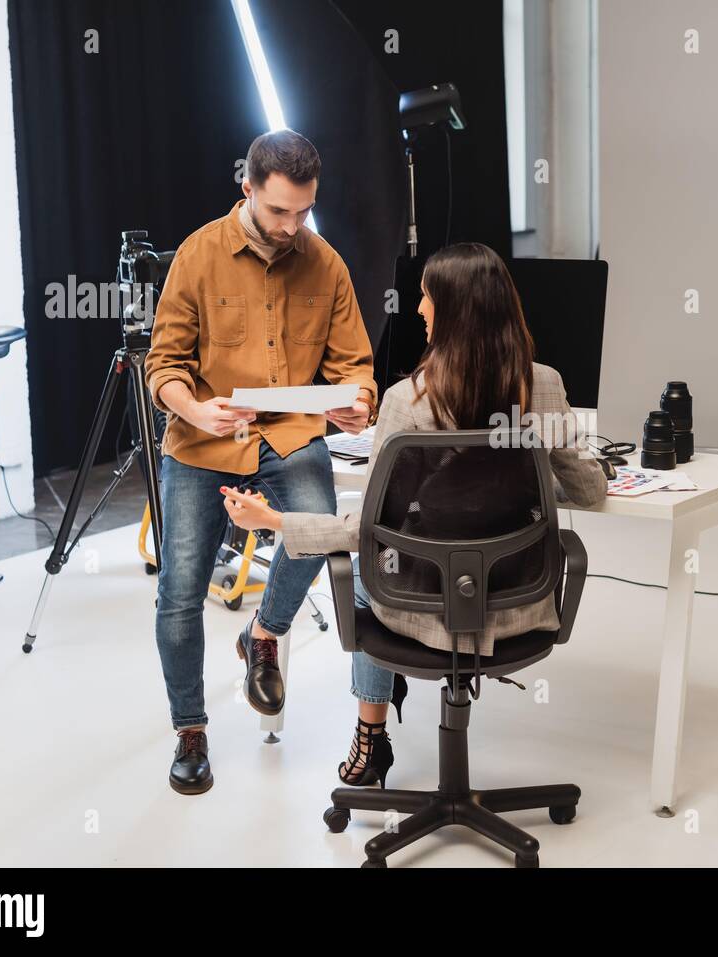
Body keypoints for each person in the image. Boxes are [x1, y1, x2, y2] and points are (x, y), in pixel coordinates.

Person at [220, 242, 606, 789]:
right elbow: (588, 491)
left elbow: (366, 531)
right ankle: (371, 730)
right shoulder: (544, 384)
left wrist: (276, 523)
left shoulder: (408, 400)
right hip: (517, 602)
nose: (418, 309)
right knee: (390, 554)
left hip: (421, 611)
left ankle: (370, 737)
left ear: (451, 309)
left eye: (426, 297)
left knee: (366, 573)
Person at [145, 130, 377, 795]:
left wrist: (359, 400)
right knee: (179, 593)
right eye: (279, 211)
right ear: (247, 188)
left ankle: (264, 634)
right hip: (203, 438)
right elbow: (163, 366)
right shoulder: (197, 255)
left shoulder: (324, 263)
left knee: (317, 528)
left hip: (290, 433)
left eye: (303, 211)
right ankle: (190, 729)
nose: (292, 226)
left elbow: (354, 366)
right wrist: (194, 411)